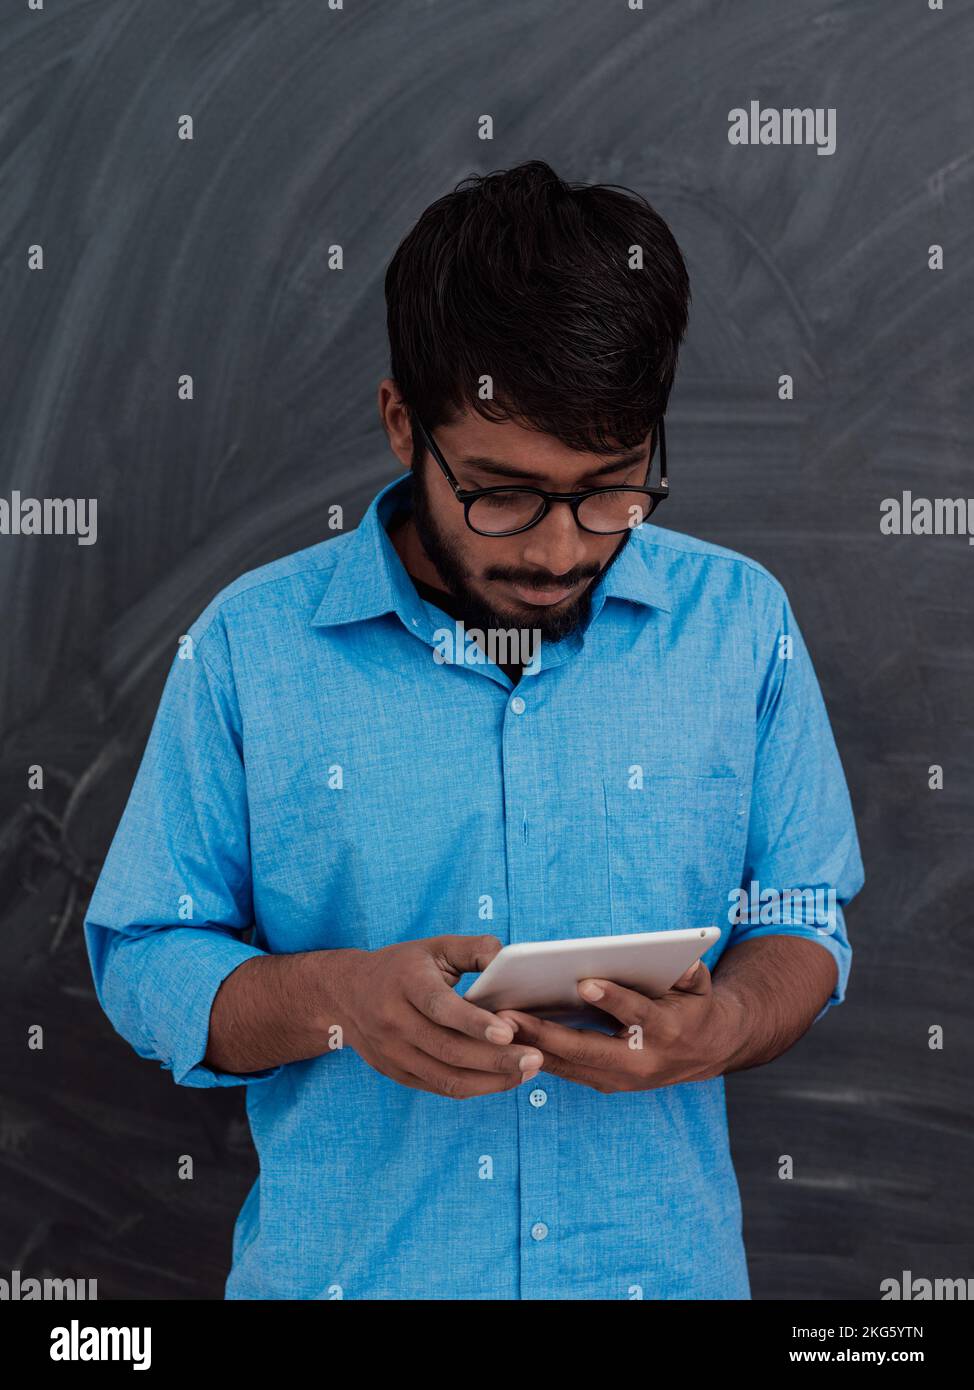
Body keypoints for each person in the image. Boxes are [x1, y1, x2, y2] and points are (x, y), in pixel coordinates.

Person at [83, 160, 864, 1300]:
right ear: (402, 423)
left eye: (610, 491)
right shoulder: (251, 647)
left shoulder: (740, 625)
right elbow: (147, 956)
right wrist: (339, 1001)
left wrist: (730, 1019)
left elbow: (804, 919)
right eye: (501, 494)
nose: (558, 551)